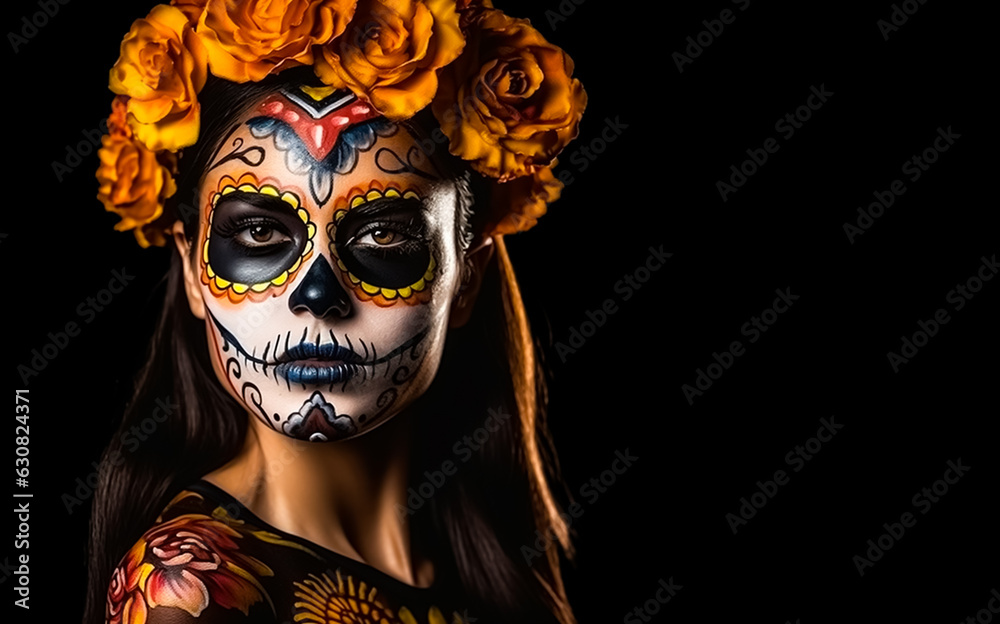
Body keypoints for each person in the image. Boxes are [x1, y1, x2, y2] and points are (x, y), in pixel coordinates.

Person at [84, 2, 586, 623]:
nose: (317, 294)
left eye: (383, 239)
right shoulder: (191, 593)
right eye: (260, 235)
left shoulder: (491, 564)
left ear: (467, 278)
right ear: (192, 272)